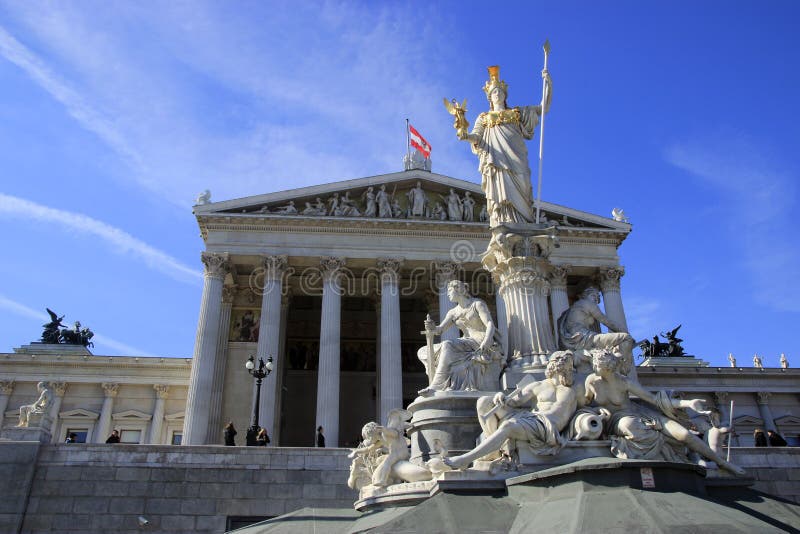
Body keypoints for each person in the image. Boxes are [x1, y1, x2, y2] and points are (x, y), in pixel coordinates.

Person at [585, 351, 745, 475]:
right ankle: (672, 451)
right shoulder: (591, 381)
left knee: (684, 435)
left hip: (640, 413)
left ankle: (722, 463)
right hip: (617, 419)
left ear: (607, 367)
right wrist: (597, 412)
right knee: (630, 425)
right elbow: (584, 404)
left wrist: (687, 403)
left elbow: (654, 400)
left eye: (596, 365)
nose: (593, 367)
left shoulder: (625, 382)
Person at [442, 353, 577, 469]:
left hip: (545, 427)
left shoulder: (570, 391)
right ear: (558, 367)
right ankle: (494, 447)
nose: (571, 371)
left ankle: (466, 459)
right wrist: (499, 396)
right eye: (569, 368)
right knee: (484, 402)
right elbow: (513, 401)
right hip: (531, 418)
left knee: (509, 425)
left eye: (570, 368)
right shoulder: (538, 385)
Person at [456, 65, 551, 228]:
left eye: (500, 92)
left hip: (517, 158)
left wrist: (548, 84)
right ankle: (503, 222)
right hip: (497, 161)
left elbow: (543, 108)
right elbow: (476, 137)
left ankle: (524, 223)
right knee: (501, 194)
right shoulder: (484, 118)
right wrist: (465, 135)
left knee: (523, 188)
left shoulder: (516, 113)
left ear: (505, 95)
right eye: (494, 92)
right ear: (490, 98)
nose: (497, 94)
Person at [417, 280, 503, 394]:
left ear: (458, 290)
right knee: (423, 351)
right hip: (466, 342)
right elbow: (439, 330)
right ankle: (441, 382)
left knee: (447, 345)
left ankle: (436, 386)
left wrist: (487, 341)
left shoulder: (477, 304)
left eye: (449, 290)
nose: (447, 294)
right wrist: (432, 326)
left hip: (480, 340)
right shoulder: (453, 312)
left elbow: (490, 324)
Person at [557, 287, 636, 380]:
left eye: (598, 298)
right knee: (625, 338)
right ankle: (622, 370)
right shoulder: (587, 303)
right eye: (594, 296)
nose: (596, 299)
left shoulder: (574, 307)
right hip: (585, 338)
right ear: (585, 296)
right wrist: (625, 332)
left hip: (576, 339)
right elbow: (606, 321)